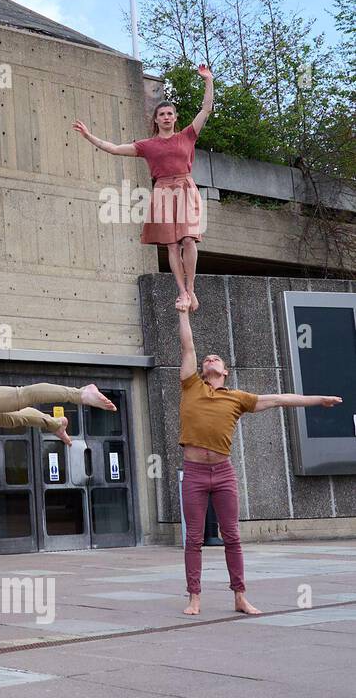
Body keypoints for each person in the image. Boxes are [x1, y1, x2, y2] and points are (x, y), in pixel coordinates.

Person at [174, 299, 341, 616]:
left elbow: (279, 399)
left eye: (216, 358)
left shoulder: (238, 398)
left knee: (232, 536)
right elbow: (188, 347)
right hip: (194, 472)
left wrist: (318, 400)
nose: (209, 359)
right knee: (193, 538)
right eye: (206, 359)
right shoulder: (191, 385)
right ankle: (194, 597)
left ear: (225, 371)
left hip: (223, 473)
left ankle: (240, 596)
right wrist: (183, 314)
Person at [73, 64, 214, 311]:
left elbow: (206, 108)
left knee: (189, 239)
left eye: (170, 114)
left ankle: (191, 289)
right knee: (172, 245)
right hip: (163, 190)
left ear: (175, 117)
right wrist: (89, 136)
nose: (166, 117)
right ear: (156, 119)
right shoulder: (147, 145)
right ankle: (182, 292)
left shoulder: (187, 136)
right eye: (162, 114)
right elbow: (114, 148)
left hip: (185, 187)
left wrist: (208, 80)